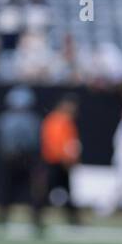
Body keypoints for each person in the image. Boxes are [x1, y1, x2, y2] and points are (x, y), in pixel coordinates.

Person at [0, 86, 43, 234]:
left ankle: (31, 219)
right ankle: (3, 219)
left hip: (20, 158)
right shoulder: (27, 119)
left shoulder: (7, 119)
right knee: (10, 190)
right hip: (19, 158)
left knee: (25, 191)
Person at [41, 95, 81, 225]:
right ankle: (36, 218)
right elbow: (54, 143)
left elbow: (70, 142)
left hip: (63, 161)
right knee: (46, 190)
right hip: (54, 162)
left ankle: (73, 219)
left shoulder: (66, 120)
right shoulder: (56, 120)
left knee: (67, 191)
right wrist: (64, 158)